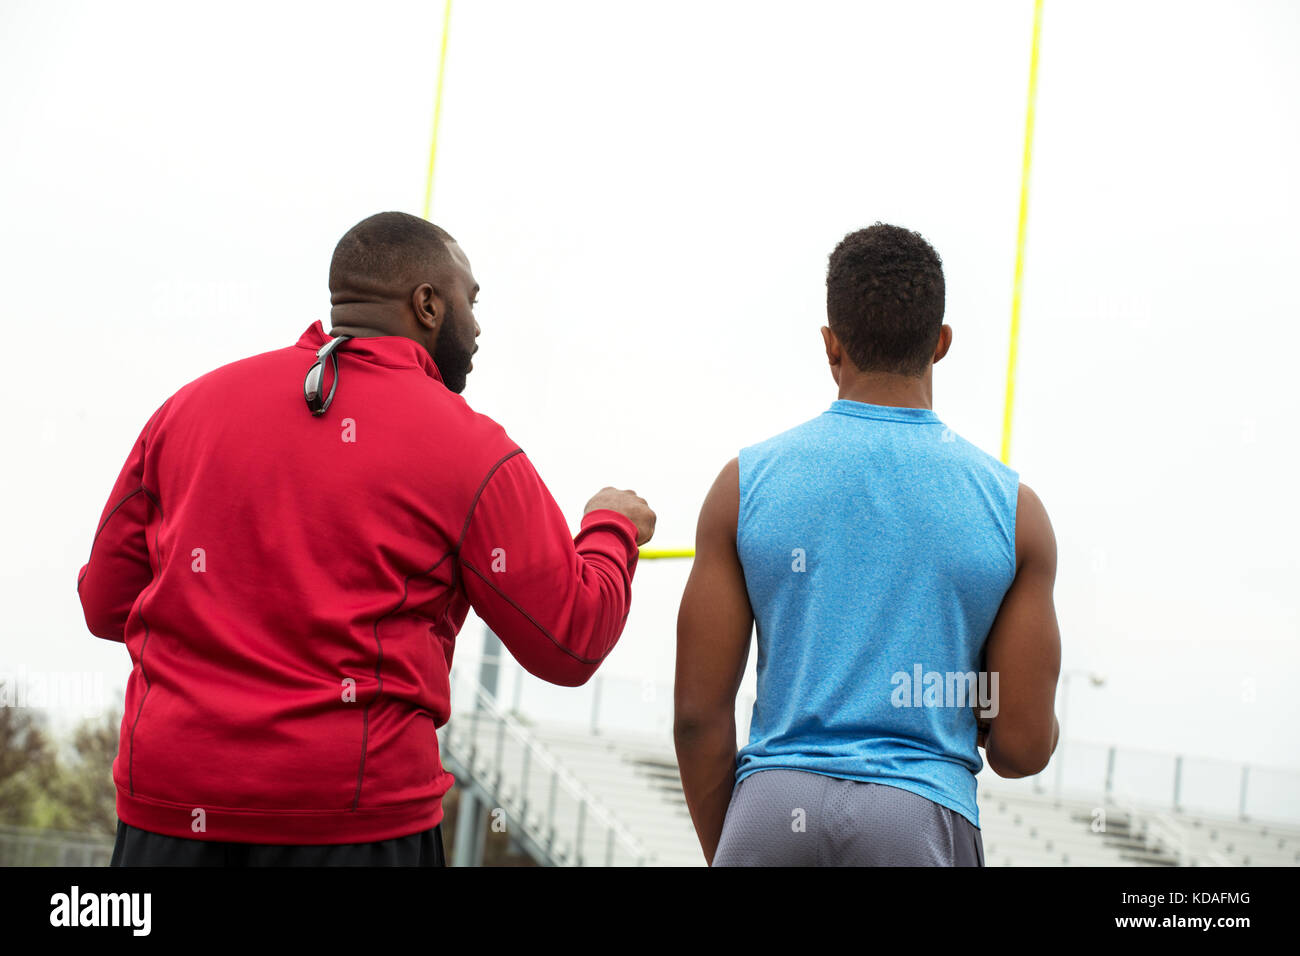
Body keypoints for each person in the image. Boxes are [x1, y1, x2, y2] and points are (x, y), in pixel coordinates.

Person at [78, 211, 655, 866]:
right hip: (355, 829)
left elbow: (105, 605)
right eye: (472, 298)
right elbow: (568, 642)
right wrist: (611, 530)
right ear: (428, 304)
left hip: (170, 820)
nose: (479, 322)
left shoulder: (186, 410)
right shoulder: (469, 447)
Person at [674, 223, 1060, 866]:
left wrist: (742, 849)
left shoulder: (744, 485)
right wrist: (980, 697)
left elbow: (696, 715)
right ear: (941, 343)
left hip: (772, 808)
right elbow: (1020, 748)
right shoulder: (1013, 512)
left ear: (831, 345)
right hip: (916, 818)